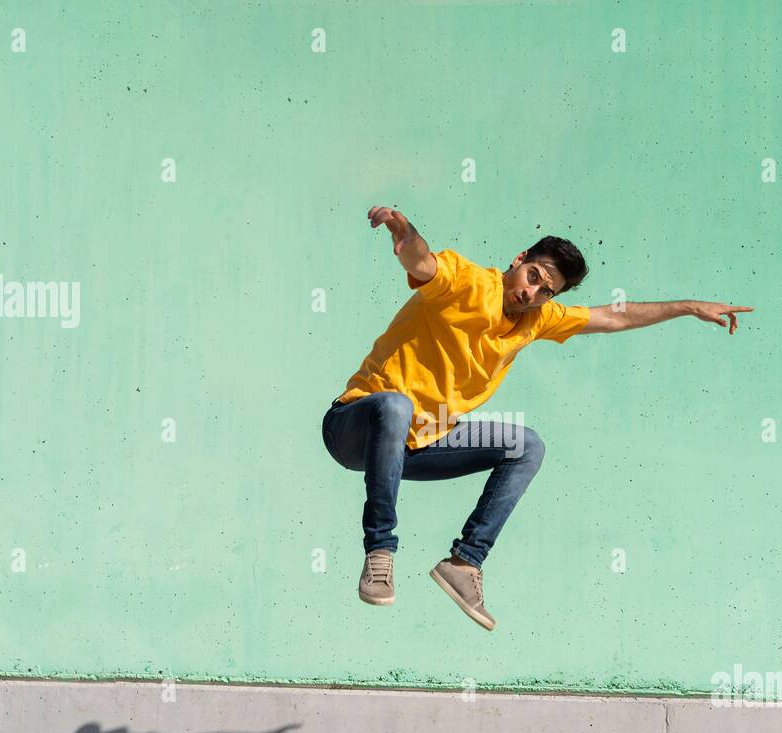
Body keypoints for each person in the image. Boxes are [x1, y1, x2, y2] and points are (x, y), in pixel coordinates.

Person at [321, 206, 753, 630]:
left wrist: (689, 306)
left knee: (526, 446)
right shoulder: (469, 282)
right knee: (396, 406)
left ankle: (464, 563)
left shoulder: (537, 319)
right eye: (532, 277)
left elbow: (610, 317)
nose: (532, 293)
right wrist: (404, 232)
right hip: (353, 428)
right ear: (519, 260)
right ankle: (380, 552)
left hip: (419, 446)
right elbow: (424, 261)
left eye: (546, 291)